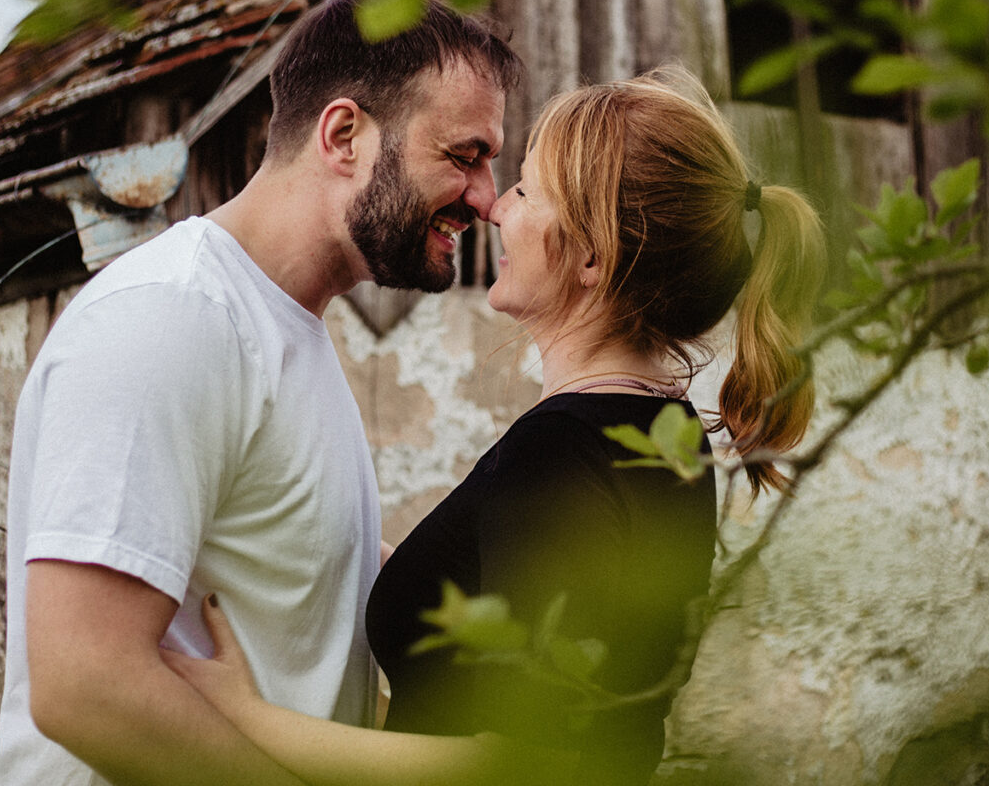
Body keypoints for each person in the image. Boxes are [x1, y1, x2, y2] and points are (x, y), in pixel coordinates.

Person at [164, 69, 827, 785]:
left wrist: (252, 718)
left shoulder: (563, 456)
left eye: (528, 189)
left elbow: (523, 764)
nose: (497, 208)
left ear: (593, 256)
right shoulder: (660, 437)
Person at [0, 0, 521, 786]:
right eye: (464, 155)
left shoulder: (284, 331)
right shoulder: (172, 316)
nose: (486, 197)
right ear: (344, 136)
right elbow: (84, 688)